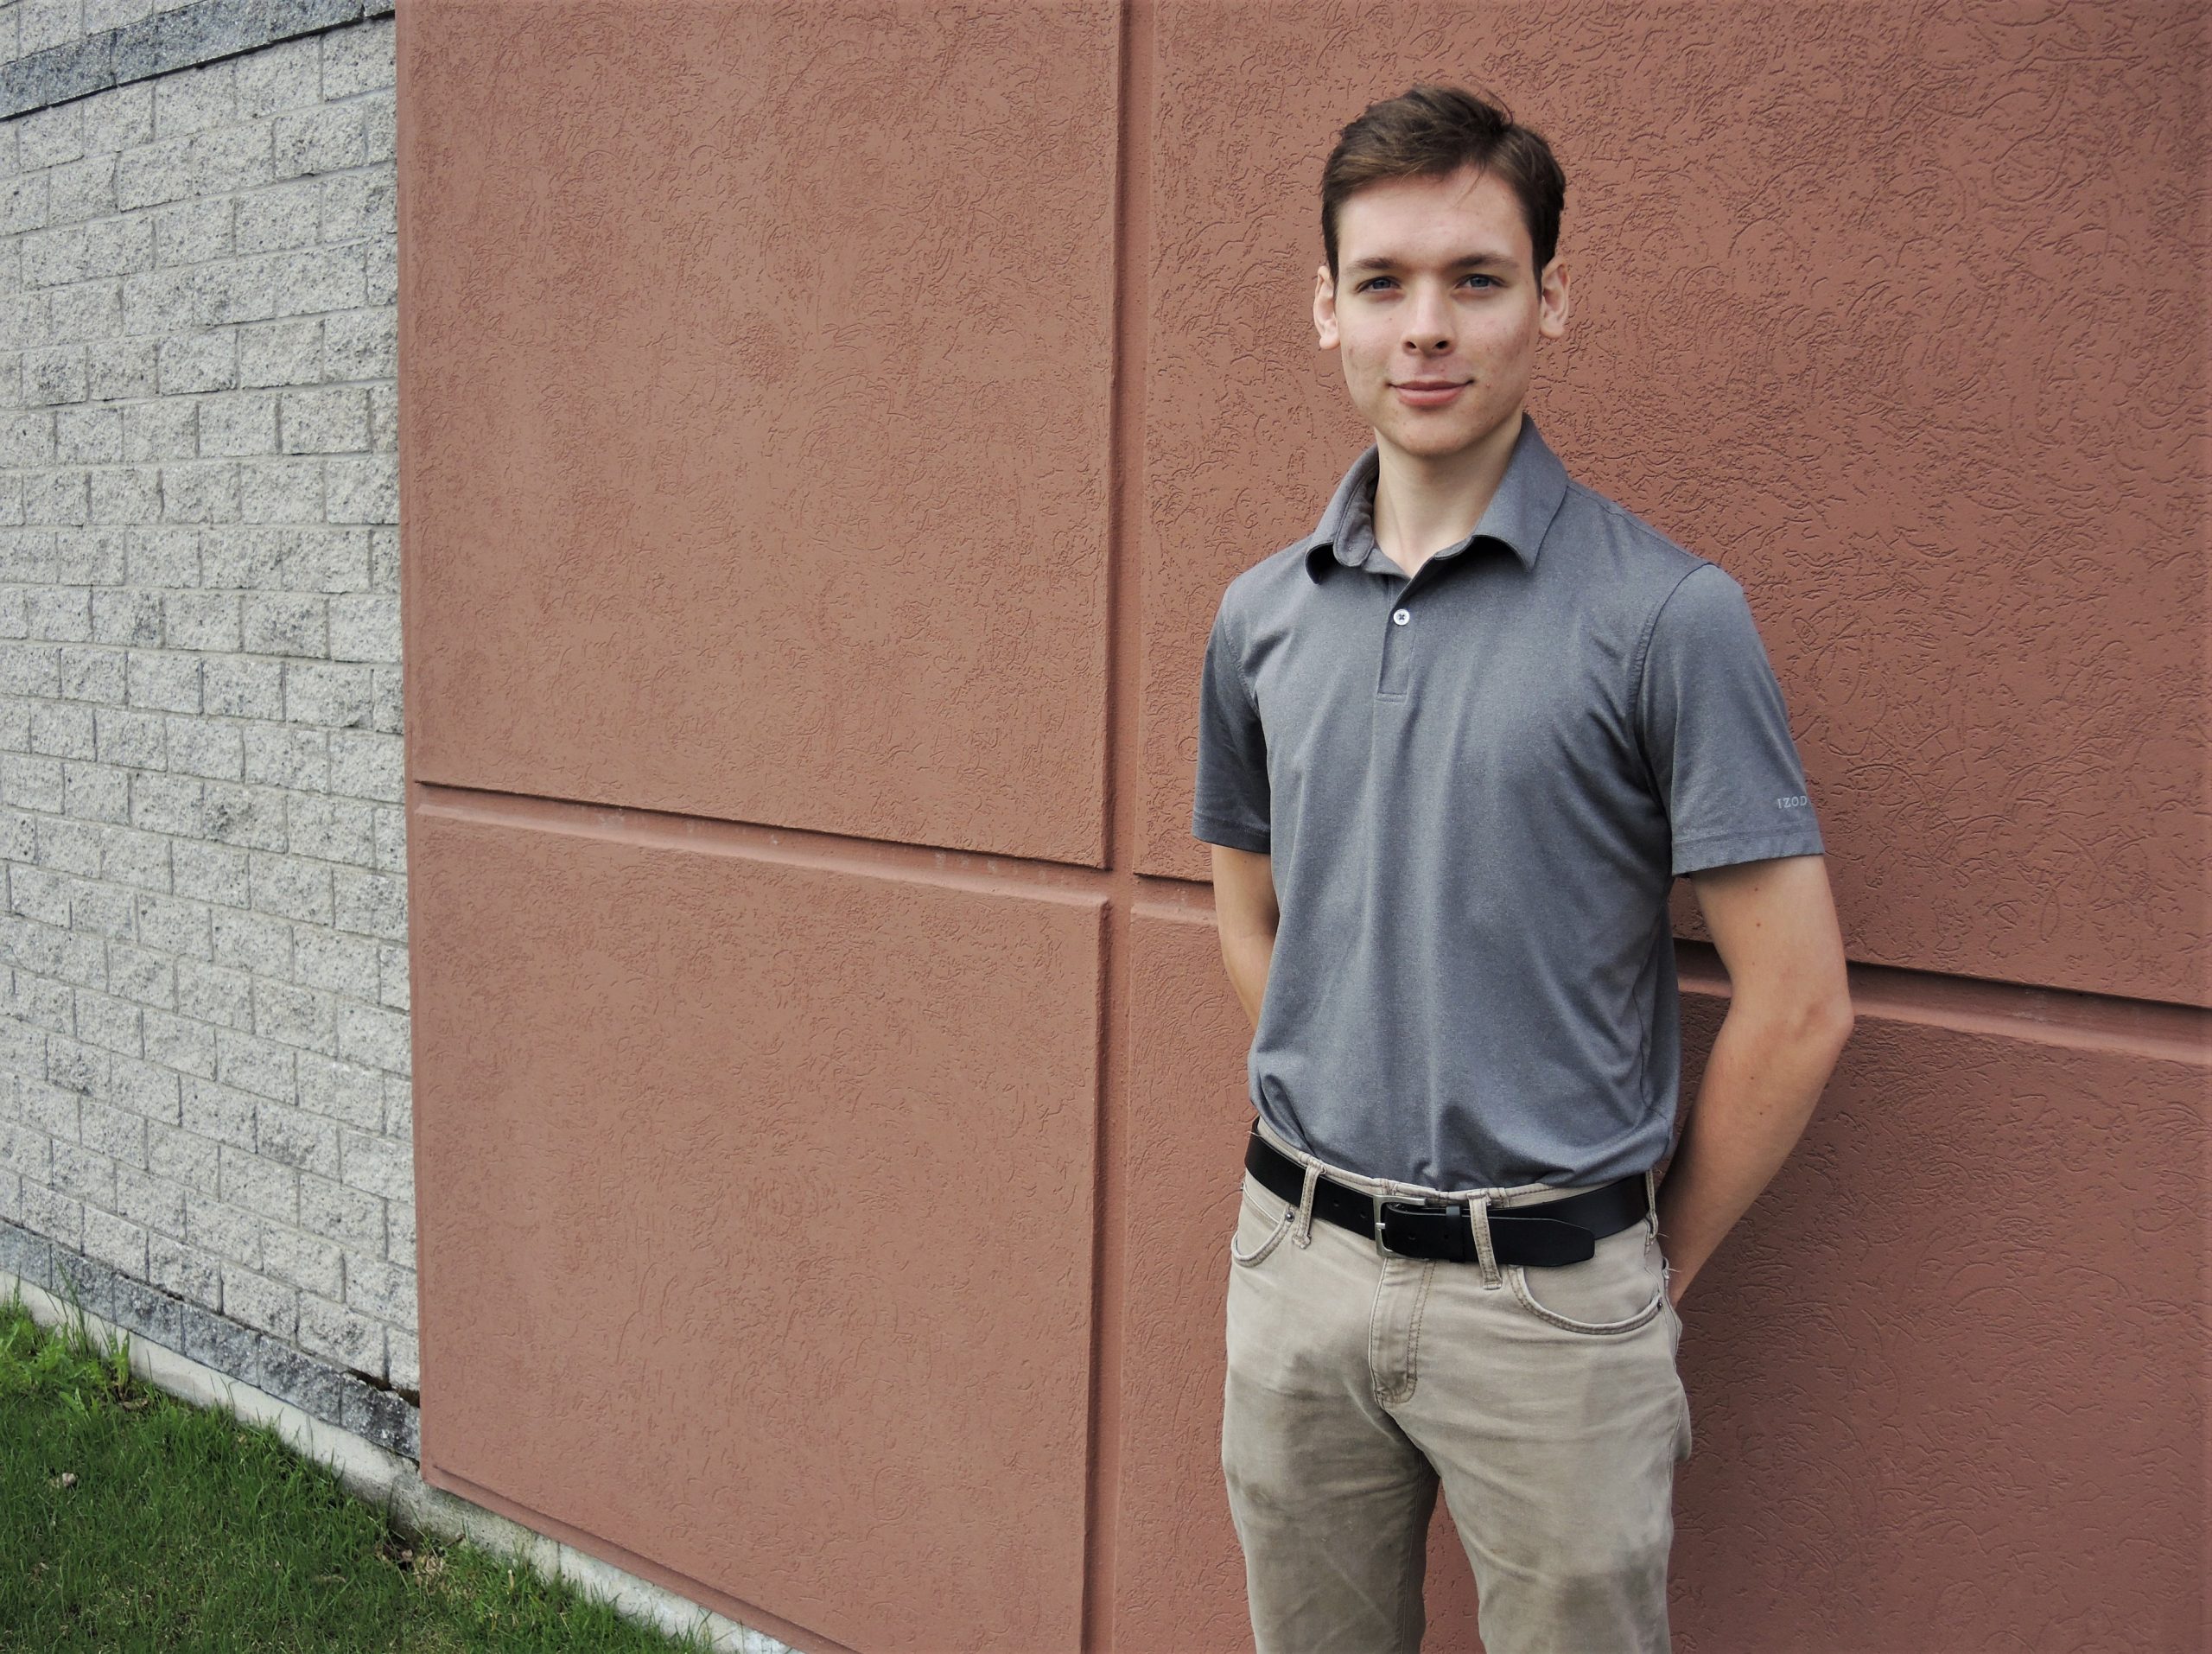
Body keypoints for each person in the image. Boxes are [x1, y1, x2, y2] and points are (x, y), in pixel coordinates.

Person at [1190, 84, 1856, 1654]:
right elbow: (1247, 903)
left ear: (1552, 300)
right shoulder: (1258, 619)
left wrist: (1638, 1274)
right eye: (1385, 283)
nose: (1427, 328)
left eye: (1477, 281)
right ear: (1326, 309)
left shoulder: (1668, 618)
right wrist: (1337, 1104)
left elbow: (1800, 1003)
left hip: (1556, 1303)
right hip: (1295, 1274)